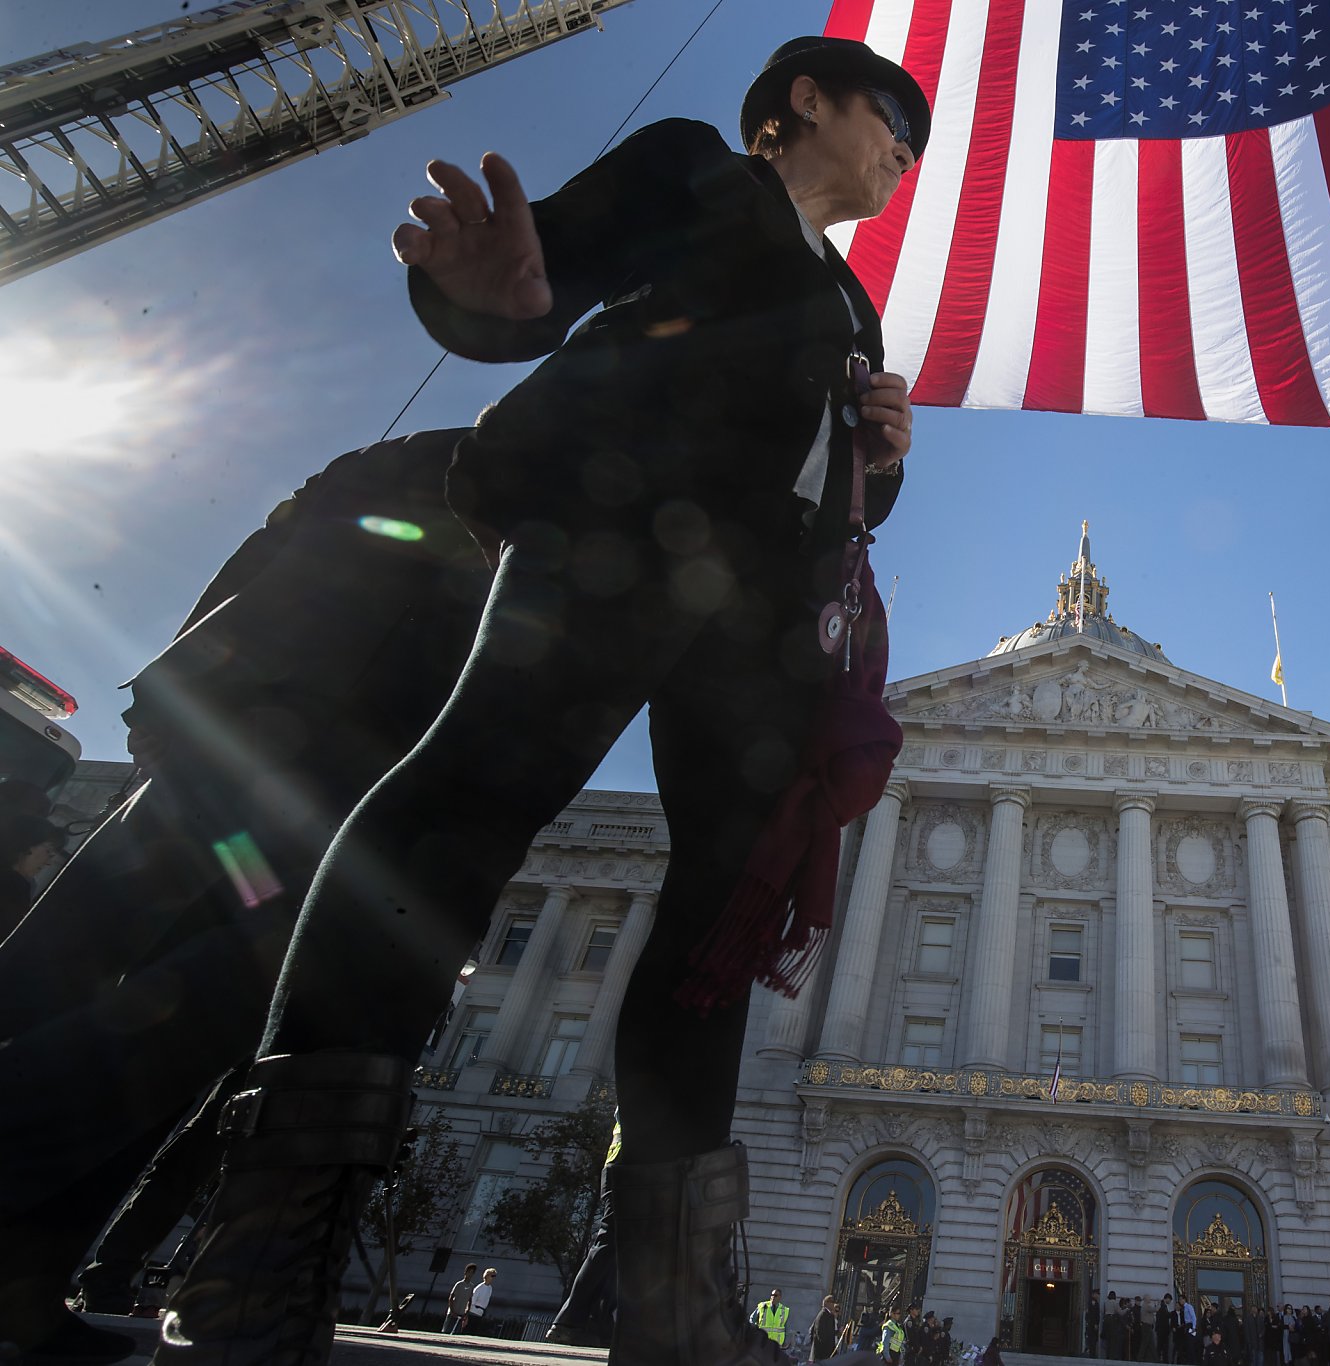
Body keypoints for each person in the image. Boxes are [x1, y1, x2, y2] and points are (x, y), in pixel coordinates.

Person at [152, 33, 927, 1366]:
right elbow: (532, 282)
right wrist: (483, 302)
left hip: (757, 625)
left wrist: (886, 449)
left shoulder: (852, 303)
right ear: (805, 101)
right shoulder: (696, 170)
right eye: (892, 122)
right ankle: (262, 1252)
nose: (906, 155)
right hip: (612, 541)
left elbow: (831, 489)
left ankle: (667, 1304)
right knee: (464, 805)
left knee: (721, 919)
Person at [0, 429, 487, 1366]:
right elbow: (266, 559)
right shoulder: (474, 469)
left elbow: (257, 558)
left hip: (296, 770)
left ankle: (26, 1271)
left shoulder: (469, 469)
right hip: (263, 752)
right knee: (91, 966)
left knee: (174, 1000)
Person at [547, 1113, 621, 1347]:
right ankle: (570, 1320)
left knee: (623, 1246)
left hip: (625, 1163)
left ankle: (598, 1319)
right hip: (626, 1166)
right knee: (610, 1240)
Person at [0, 811, 64, 939]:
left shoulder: (23, 885)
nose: (49, 862)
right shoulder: (16, 887)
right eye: (48, 851)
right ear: (28, 844)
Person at [444, 1263, 478, 1334]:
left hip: (461, 1314)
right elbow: (451, 1297)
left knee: (457, 1332)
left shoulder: (471, 1286)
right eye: (469, 1272)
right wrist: (452, 1311)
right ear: (465, 1272)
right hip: (453, 1313)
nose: (470, 1274)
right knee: (446, 1331)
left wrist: (467, 1312)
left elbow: (470, 1299)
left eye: (472, 1273)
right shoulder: (459, 1284)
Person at [462, 1268, 496, 1334]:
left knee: (474, 1331)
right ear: (487, 1276)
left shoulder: (490, 1288)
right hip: (473, 1311)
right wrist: (467, 1313)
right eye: (492, 1276)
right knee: (468, 1331)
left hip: (480, 1313)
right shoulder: (480, 1287)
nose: (493, 1278)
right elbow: (472, 1300)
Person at [812, 1294, 842, 1361]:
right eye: (832, 1302)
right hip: (823, 1352)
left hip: (828, 1351)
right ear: (827, 1303)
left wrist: (837, 1332)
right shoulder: (823, 1315)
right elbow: (821, 1333)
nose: (833, 1304)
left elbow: (830, 1331)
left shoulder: (829, 1315)